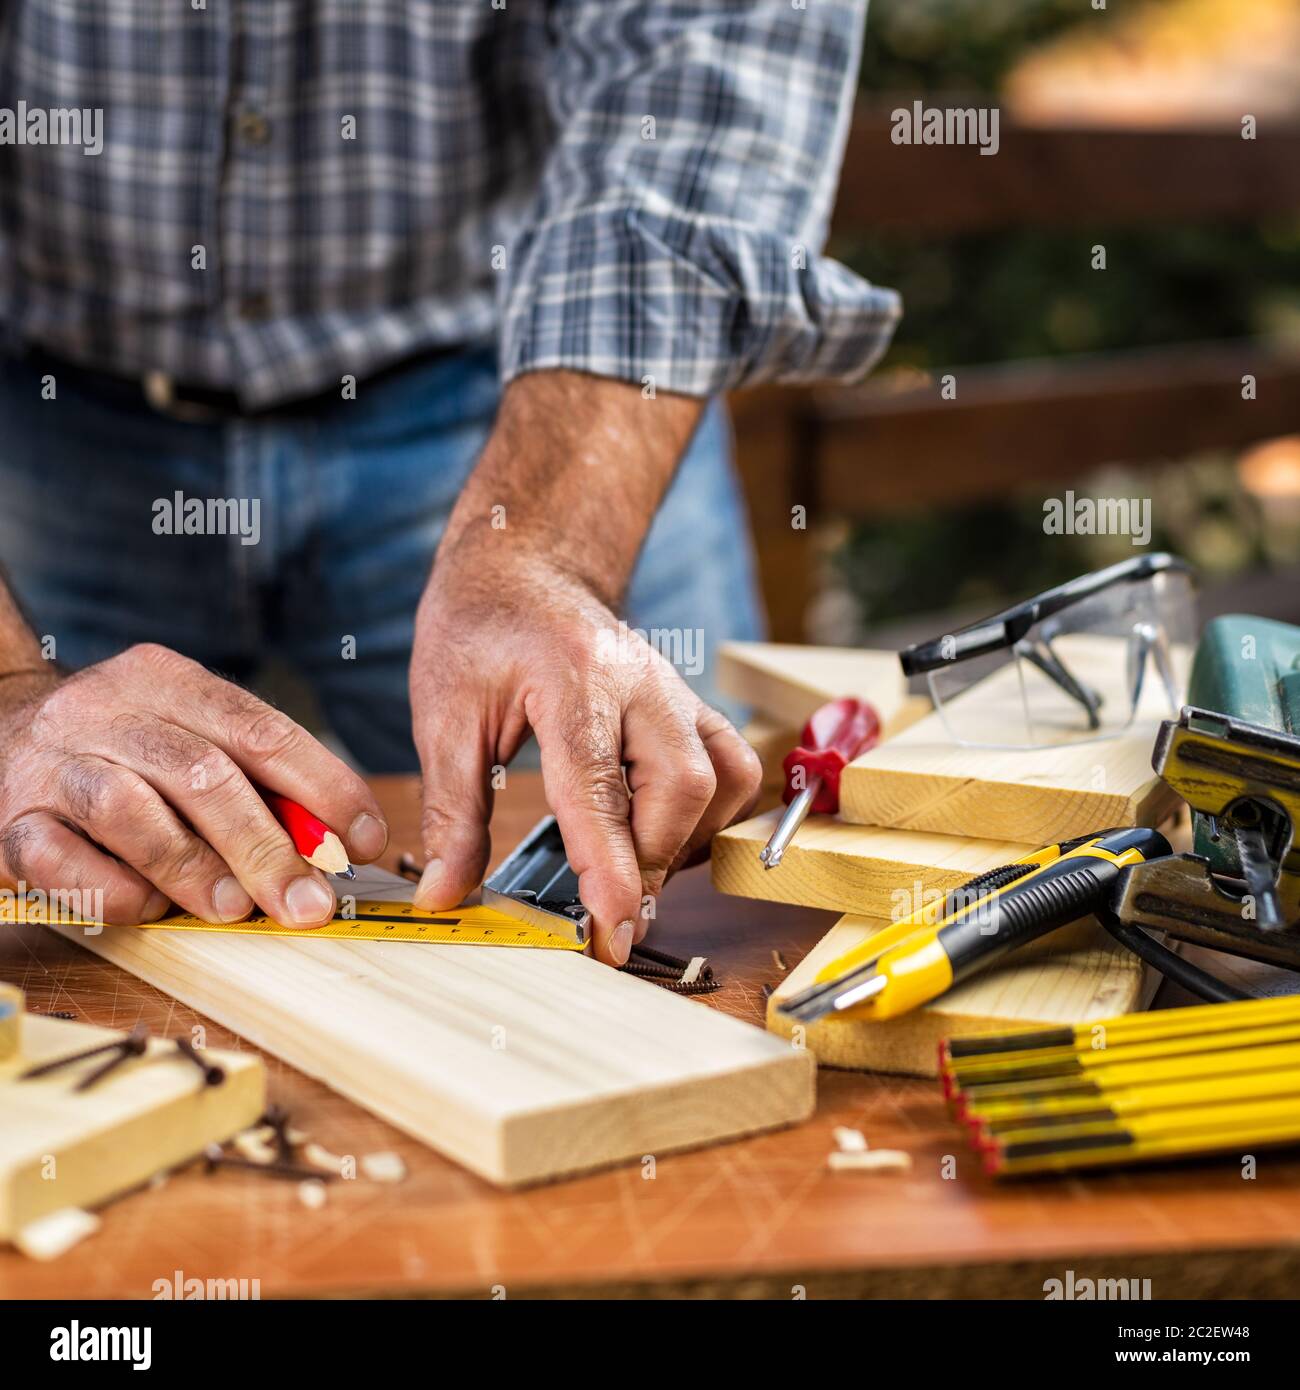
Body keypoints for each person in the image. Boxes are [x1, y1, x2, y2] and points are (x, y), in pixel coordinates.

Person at [0, 1, 899, 964]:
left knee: (678, 858)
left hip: (540, 394)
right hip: (53, 412)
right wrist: (11, 692)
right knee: (74, 875)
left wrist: (544, 551)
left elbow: (703, 75)